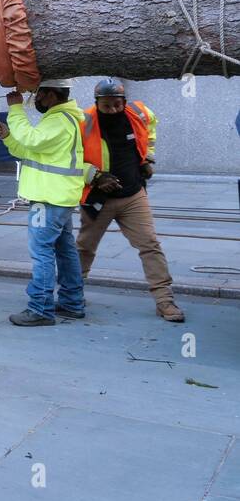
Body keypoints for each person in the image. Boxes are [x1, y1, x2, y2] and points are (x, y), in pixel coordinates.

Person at [75, 79, 184, 322]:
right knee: (84, 248)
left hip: (133, 194)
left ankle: (164, 300)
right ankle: (72, 295)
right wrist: (95, 176)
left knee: (150, 245)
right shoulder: (84, 122)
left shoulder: (138, 112)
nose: (113, 110)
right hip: (98, 199)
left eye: (117, 104)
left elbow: (151, 130)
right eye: (107, 106)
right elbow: (68, 159)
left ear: (124, 101)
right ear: (96, 103)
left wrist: (148, 159)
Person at [0, 79, 98, 326]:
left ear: (51, 94)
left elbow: (31, 141)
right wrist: (9, 137)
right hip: (58, 197)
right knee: (65, 251)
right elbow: (31, 152)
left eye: (38, 96)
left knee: (41, 252)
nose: (36, 101)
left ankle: (40, 308)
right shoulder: (64, 118)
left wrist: (16, 109)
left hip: (48, 198)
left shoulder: (59, 120)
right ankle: (72, 302)